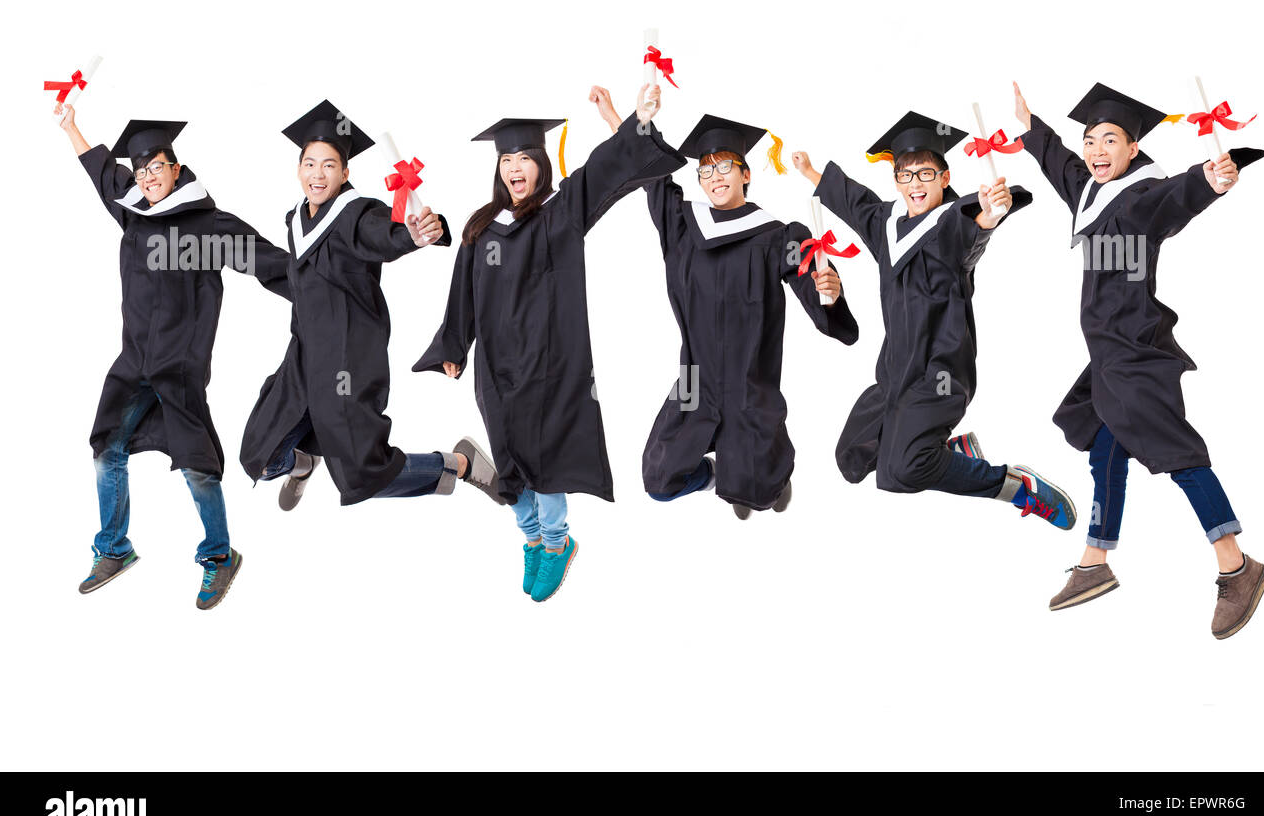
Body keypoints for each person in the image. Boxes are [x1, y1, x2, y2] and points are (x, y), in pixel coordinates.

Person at [1014, 81, 1264, 638]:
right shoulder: (1090, 190)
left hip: (1136, 353)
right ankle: (1094, 564)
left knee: (1174, 453)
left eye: (1110, 139)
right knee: (1105, 452)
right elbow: (1061, 166)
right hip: (1108, 355)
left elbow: (1177, 195)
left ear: (1134, 149)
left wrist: (1213, 180)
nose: (1096, 150)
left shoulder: (1140, 196)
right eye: (1090, 140)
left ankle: (1237, 566)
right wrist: (1032, 128)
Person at [414, 84, 686, 602]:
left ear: (540, 163)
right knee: (511, 461)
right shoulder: (480, 227)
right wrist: (454, 346)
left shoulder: (561, 215)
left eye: (524, 158)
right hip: (497, 368)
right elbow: (462, 296)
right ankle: (532, 538)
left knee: (548, 457)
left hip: (552, 364)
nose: (514, 168)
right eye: (506, 160)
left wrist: (637, 121)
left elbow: (604, 168)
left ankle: (557, 542)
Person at [793, 111, 1076, 530]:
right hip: (894, 372)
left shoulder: (950, 221)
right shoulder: (887, 224)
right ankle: (952, 451)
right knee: (851, 458)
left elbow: (974, 229)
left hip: (940, 371)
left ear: (944, 178)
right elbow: (856, 203)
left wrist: (992, 213)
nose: (915, 185)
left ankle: (1016, 486)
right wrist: (812, 172)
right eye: (905, 176)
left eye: (925, 174)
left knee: (901, 471)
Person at [60, 105, 292, 609]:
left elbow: (269, 261)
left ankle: (219, 555)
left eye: (156, 168)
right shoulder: (133, 209)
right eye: (141, 171)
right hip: (133, 363)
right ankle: (114, 547)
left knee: (196, 465)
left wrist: (325, 286)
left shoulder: (208, 225)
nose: (147, 178)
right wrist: (71, 126)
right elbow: (104, 175)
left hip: (178, 368)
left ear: (176, 167)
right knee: (106, 449)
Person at [240, 100, 503, 515]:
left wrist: (414, 235)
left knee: (364, 476)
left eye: (329, 165)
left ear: (346, 173)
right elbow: (296, 278)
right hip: (303, 360)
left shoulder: (354, 214)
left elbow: (384, 232)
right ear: (298, 169)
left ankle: (459, 464)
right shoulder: (295, 220)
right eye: (310, 164)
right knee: (259, 454)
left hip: (348, 363)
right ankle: (304, 461)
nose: (317, 174)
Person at [622, 111, 859, 519]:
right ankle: (715, 474)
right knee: (659, 480)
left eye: (725, 166)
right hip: (694, 379)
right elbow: (652, 174)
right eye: (705, 170)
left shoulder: (778, 235)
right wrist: (625, 120)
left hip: (750, 382)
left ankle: (766, 481)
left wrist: (830, 293)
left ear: (746, 174)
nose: (715, 176)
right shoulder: (682, 226)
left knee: (757, 493)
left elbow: (813, 284)